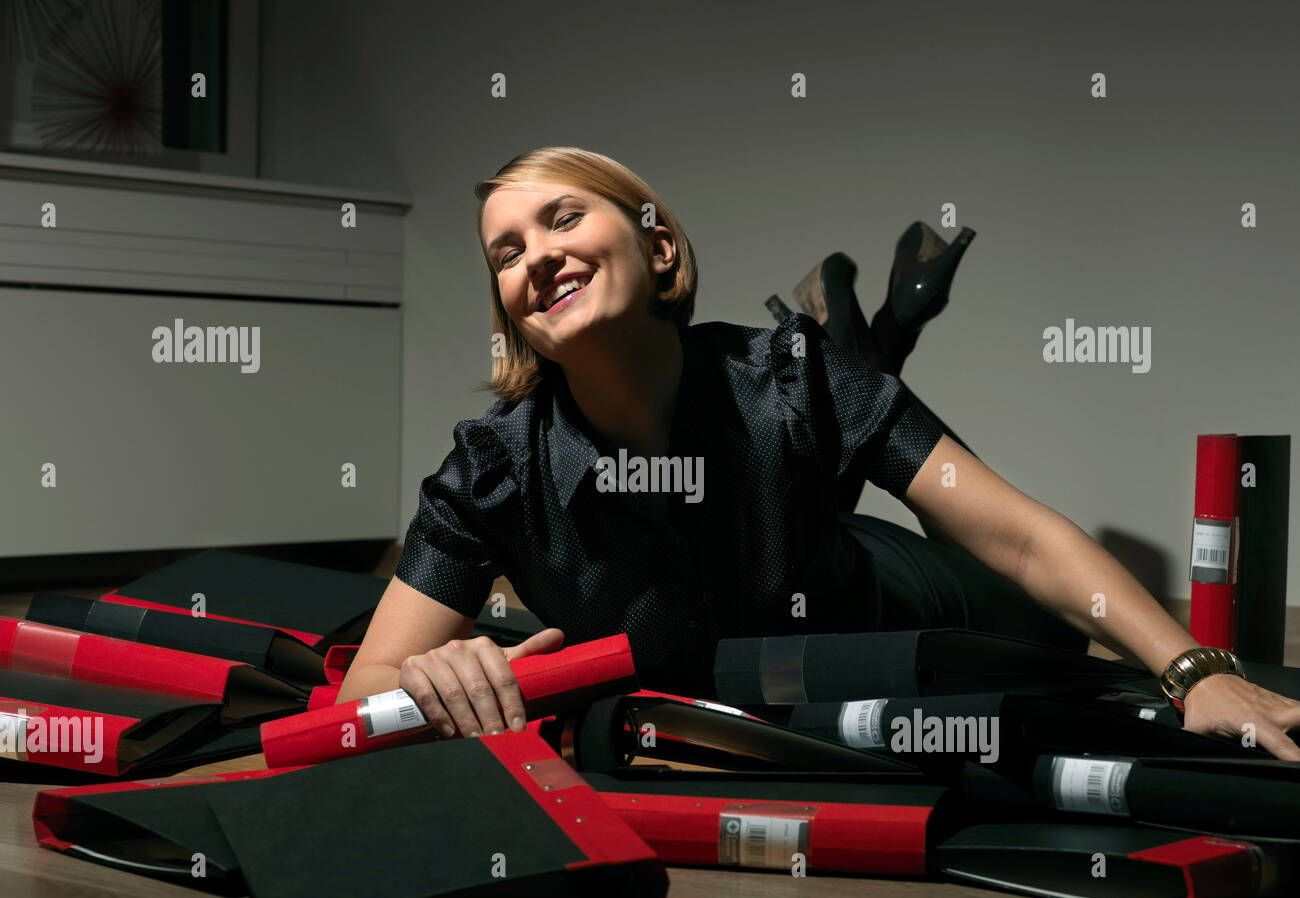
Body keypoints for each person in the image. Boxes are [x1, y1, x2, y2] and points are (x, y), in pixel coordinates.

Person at [339, 146, 1300, 760]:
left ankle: (865, 350)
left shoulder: (789, 378)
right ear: (508, 311)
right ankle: (874, 342)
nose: (535, 256)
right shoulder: (493, 469)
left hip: (895, 602)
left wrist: (1191, 670)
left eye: (563, 218)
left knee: (1042, 637)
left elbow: (1015, 538)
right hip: (736, 692)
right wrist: (431, 677)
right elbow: (364, 692)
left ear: (659, 247)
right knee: (805, 427)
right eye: (504, 253)